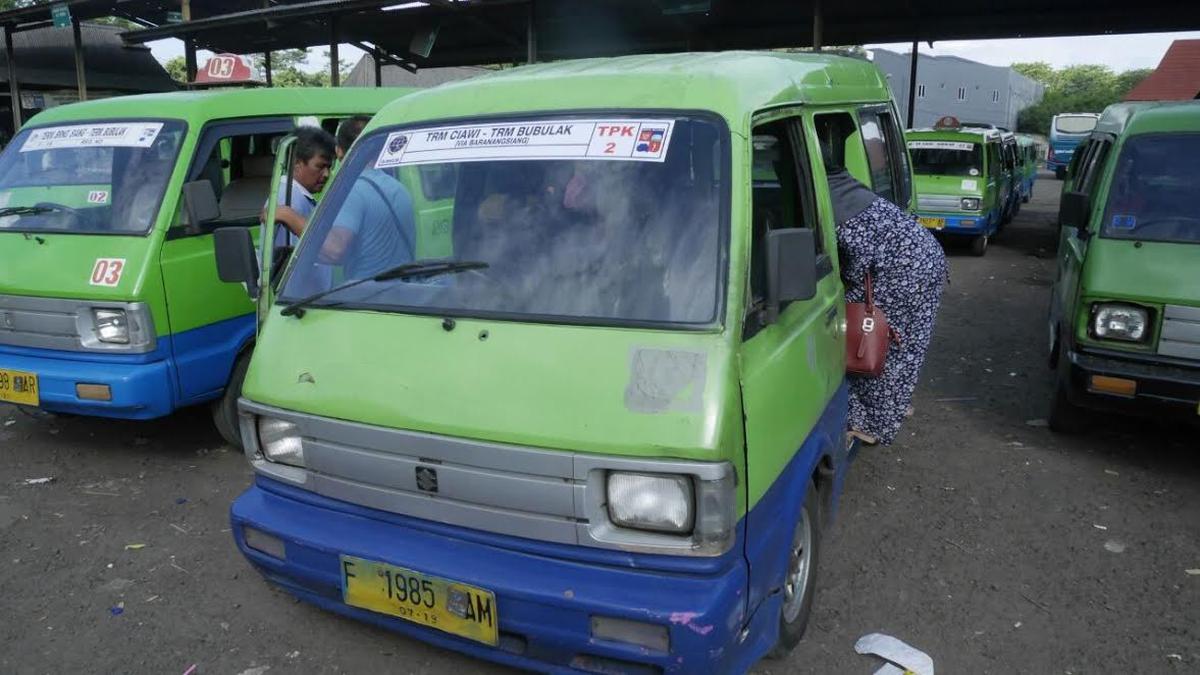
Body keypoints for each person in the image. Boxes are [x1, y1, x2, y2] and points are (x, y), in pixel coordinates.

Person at [830, 168, 948, 446]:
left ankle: (872, 425)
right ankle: (894, 407)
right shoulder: (843, 185)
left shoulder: (830, 203)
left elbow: (856, 260)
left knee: (876, 342)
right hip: (922, 256)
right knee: (905, 344)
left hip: (905, 269)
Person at [316, 116, 416, 280]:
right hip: (401, 295)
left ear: (338, 151)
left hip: (366, 295)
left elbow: (335, 251)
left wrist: (289, 216)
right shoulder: (399, 188)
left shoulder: (353, 191)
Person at [271, 126, 335, 247]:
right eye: (320, 167)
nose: (326, 174)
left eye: (329, 168)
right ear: (296, 163)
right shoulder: (290, 199)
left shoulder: (293, 194)